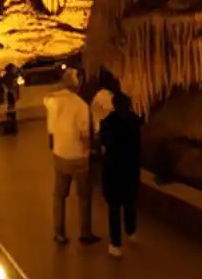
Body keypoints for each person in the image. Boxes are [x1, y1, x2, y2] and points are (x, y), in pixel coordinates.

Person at [44, 69, 100, 245]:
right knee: (84, 196)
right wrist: (91, 150)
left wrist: (55, 147)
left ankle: (59, 233)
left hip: (60, 154)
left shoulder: (53, 102)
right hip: (78, 157)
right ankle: (85, 232)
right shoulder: (81, 106)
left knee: (59, 195)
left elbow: (51, 133)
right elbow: (84, 136)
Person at [98, 91, 141, 257]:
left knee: (114, 207)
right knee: (130, 202)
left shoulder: (108, 122)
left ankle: (116, 244)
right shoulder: (134, 120)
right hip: (130, 168)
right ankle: (131, 231)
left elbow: (104, 144)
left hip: (113, 169)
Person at [1, 63, 21, 134]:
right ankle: (12, 127)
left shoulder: (5, 77)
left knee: (10, 111)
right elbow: (13, 86)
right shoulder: (12, 77)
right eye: (14, 68)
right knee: (12, 111)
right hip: (11, 95)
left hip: (8, 95)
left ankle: (10, 126)